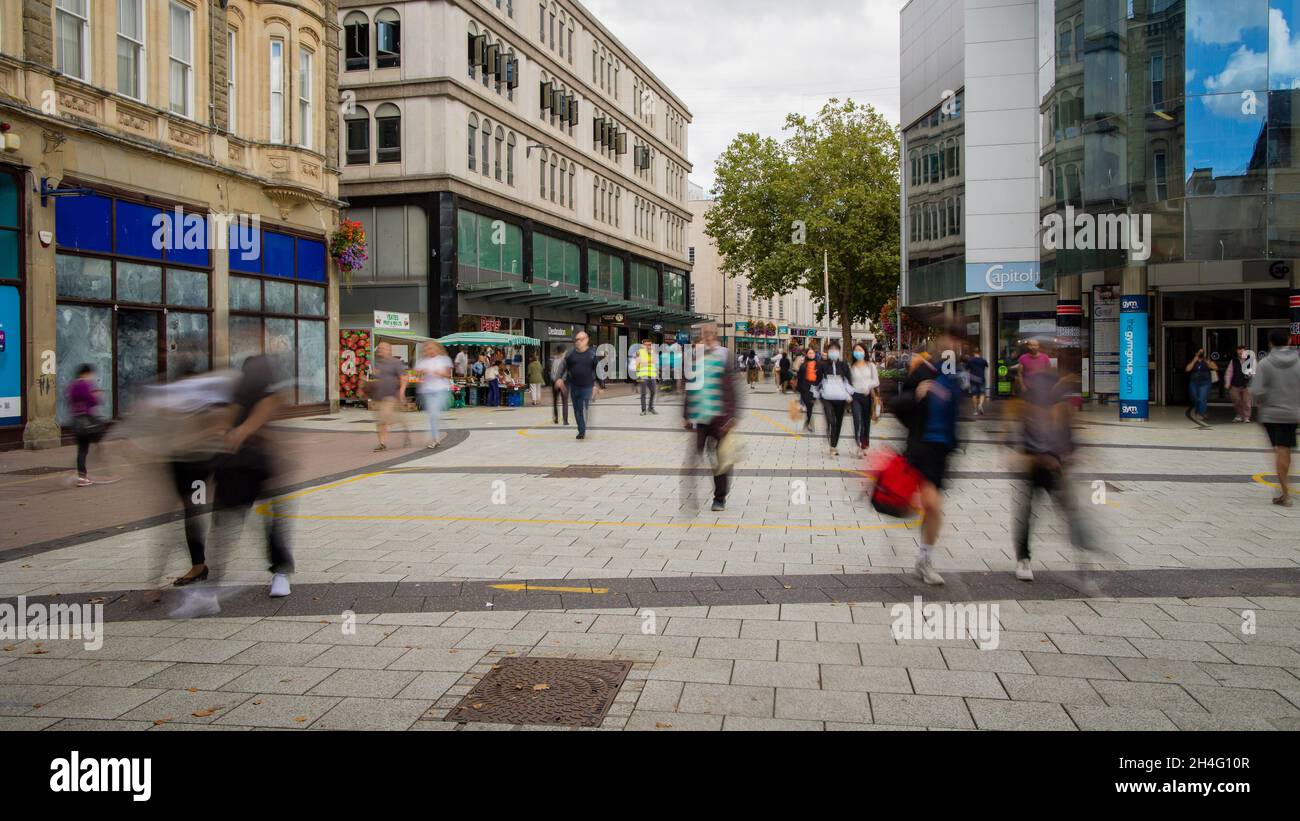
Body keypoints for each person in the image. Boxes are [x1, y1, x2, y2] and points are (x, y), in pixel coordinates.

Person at [212, 351, 294, 600]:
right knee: (260, 521)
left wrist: (239, 432)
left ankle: (214, 581)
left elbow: (259, 412)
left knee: (228, 523)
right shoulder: (245, 395)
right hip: (247, 466)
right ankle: (279, 573)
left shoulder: (251, 395)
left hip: (252, 465)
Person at [891, 326, 965, 586]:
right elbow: (896, 403)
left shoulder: (956, 375)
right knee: (933, 505)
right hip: (922, 446)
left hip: (942, 449)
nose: (951, 347)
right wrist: (916, 395)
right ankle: (925, 560)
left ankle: (924, 557)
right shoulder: (923, 370)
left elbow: (959, 410)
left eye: (956, 343)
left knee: (933, 511)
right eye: (948, 340)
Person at [1010, 369, 1093, 581]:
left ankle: (1082, 561)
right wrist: (1041, 458)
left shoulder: (1063, 414)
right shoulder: (1031, 415)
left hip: (1057, 471)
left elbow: (1071, 440)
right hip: (1035, 470)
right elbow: (1023, 444)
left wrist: (1072, 456)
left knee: (1070, 513)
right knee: (1028, 513)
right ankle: (1023, 559)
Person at [684, 323, 739, 512]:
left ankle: (719, 497)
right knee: (693, 457)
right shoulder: (696, 356)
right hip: (700, 416)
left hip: (720, 417)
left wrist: (732, 416)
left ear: (716, 334)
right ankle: (690, 497)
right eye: (703, 333)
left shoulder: (724, 355)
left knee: (719, 460)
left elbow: (732, 388)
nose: (706, 336)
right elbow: (690, 386)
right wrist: (686, 415)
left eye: (709, 333)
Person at [1250, 329, 1300, 507]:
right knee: (1285, 450)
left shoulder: (1265, 363)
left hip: (1271, 414)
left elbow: (1256, 391)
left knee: (1278, 451)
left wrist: (1266, 398)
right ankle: (1283, 489)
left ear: (1270, 343)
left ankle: (1284, 491)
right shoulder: (1298, 361)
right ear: (1289, 340)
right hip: (1292, 412)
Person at [555, 331, 605, 440]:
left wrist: (601, 385)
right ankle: (581, 430)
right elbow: (562, 366)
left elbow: (598, 370)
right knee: (577, 411)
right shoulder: (570, 354)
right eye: (576, 340)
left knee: (583, 408)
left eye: (580, 339)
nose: (578, 342)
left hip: (588, 387)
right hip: (574, 387)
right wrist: (558, 378)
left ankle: (583, 428)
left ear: (586, 340)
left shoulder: (592, 354)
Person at [66, 364, 105, 487]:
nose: (91, 376)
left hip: (76, 421)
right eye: (90, 374)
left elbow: (69, 401)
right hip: (87, 421)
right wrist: (97, 395)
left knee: (81, 450)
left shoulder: (72, 386)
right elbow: (93, 401)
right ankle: (102, 459)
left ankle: (81, 476)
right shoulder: (86, 385)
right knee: (93, 444)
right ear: (85, 374)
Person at [369, 342, 409, 452]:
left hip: (390, 396)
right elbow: (375, 379)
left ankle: (382, 443)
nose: (381, 350)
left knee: (383, 419)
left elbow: (404, 377)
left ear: (389, 350)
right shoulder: (377, 363)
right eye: (379, 348)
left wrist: (402, 392)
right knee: (380, 421)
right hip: (378, 397)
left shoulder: (395, 362)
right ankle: (403, 428)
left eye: (383, 348)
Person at [817, 342, 853, 456]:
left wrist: (849, 394)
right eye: (830, 350)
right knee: (831, 421)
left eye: (835, 349)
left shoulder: (843, 365)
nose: (833, 352)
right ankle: (831, 439)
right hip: (827, 397)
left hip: (840, 398)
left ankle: (833, 446)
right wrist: (815, 394)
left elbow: (848, 380)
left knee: (838, 422)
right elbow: (817, 380)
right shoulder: (823, 365)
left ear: (839, 351)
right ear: (827, 352)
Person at [416, 341, 453, 449]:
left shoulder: (444, 360)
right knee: (432, 415)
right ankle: (435, 439)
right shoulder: (422, 362)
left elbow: (448, 375)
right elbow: (415, 374)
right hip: (427, 391)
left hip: (440, 390)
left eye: (431, 348)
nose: (429, 351)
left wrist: (437, 373)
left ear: (437, 349)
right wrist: (421, 372)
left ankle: (433, 435)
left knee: (433, 413)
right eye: (427, 349)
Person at [850, 343, 881, 456]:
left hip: (867, 396)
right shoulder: (852, 367)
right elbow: (850, 382)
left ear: (864, 352)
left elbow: (876, 381)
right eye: (856, 350)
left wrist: (868, 387)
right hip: (855, 396)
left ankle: (864, 444)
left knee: (865, 422)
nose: (858, 352)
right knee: (857, 421)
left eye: (860, 349)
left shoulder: (870, 365)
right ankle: (858, 446)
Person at [1185, 348, 1217, 424]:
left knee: (1202, 398)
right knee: (1195, 398)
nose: (1200, 354)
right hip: (1194, 382)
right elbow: (1187, 369)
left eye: (1202, 353)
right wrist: (1194, 359)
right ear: (1196, 353)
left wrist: (1206, 361)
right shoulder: (1193, 360)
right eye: (1199, 352)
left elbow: (1215, 367)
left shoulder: (1207, 360)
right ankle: (1202, 411)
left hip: (1205, 382)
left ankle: (1201, 413)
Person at [796, 340, 822, 432]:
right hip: (804, 388)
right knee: (808, 405)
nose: (811, 354)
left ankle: (809, 424)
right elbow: (799, 376)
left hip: (814, 388)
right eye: (809, 353)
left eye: (812, 353)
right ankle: (809, 423)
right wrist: (799, 388)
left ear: (815, 354)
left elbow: (820, 377)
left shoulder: (819, 364)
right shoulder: (803, 365)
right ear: (807, 354)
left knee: (810, 406)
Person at [1225, 345, 1254, 423]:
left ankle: (1246, 417)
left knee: (1247, 402)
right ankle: (1239, 415)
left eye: (1242, 351)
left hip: (1247, 385)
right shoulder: (1233, 361)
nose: (1241, 352)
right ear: (1237, 352)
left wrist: (1250, 374)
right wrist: (1228, 383)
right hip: (1235, 384)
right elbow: (1229, 373)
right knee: (1237, 401)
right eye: (1239, 351)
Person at [636, 339, 659, 415]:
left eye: (650, 344)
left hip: (652, 375)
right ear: (643, 345)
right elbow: (638, 363)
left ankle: (650, 408)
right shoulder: (639, 352)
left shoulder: (653, 352)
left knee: (653, 392)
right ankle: (643, 410)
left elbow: (655, 361)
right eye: (647, 344)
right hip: (643, 375)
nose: (648, 346)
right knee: (643, 393)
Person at [549, 346, 570, 425]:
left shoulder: (552, 361)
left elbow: (551, 373)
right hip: (563, 383)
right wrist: (561, 380)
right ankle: (565, 420)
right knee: (565, 401)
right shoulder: (565, 361)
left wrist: (554, 381)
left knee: (555, 401)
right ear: (563, 352)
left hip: (554, 383)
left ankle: (556, 419)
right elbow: (567, 372)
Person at [966, 349, 990, 416]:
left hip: (973, 379)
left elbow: (967, 369)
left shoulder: (970, 360)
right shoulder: (983, 360)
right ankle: (980, 404)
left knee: (974, 394)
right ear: (980, 353)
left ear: (974, 353)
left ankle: (975, 410)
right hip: (981, 378)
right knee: (982, 393)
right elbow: (987, 366)